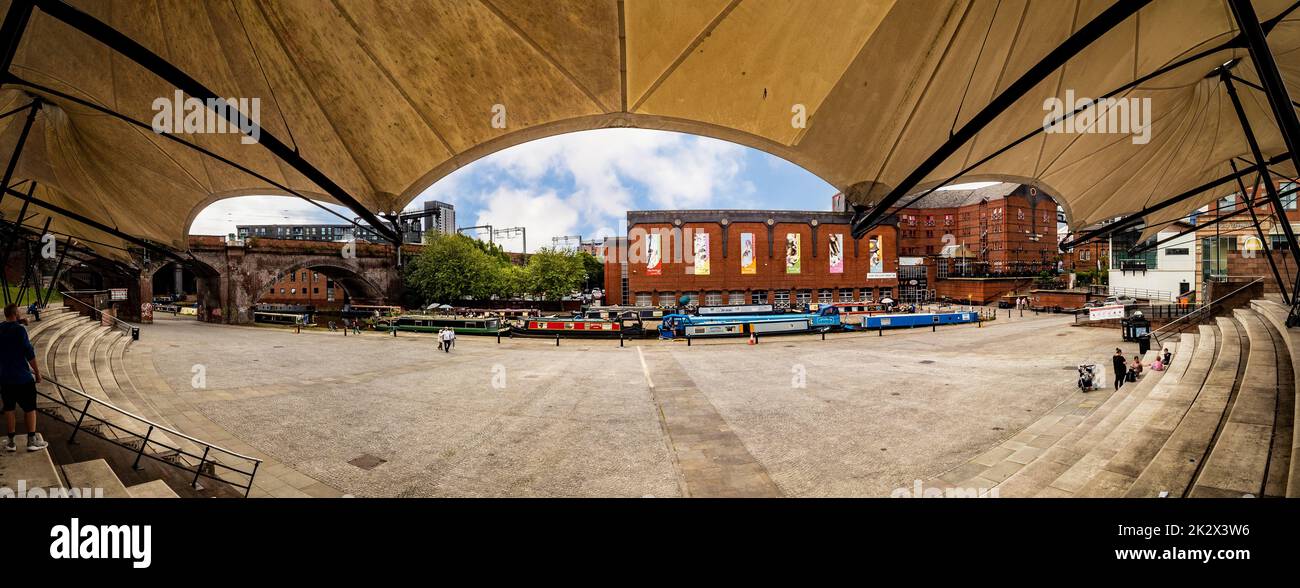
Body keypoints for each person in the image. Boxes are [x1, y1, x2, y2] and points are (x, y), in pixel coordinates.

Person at [1, 304, 47, 452]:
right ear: (15, 313)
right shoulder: (20, 331)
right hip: (22, 378)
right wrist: (37, 372)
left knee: (9, 409)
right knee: (30, 408)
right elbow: (29, 353)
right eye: (19, 311)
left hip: (5, 378)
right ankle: (31, 441)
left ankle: (11, 443)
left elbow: (8, 326)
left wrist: (21, 322)